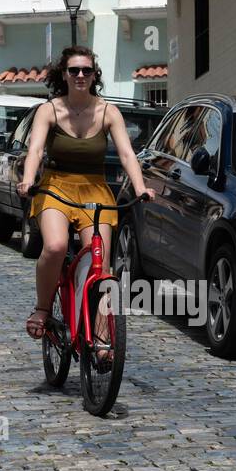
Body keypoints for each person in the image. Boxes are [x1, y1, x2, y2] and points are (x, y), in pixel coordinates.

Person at [16, 47, 152, 353]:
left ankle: (102, 338)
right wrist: (28, 178)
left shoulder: (108, 112)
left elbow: (127, 154)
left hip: (94, 190)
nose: (80, 76)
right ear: (64, 75)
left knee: (100, 263)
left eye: (86, 71)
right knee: (55, 246)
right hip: (56, 187)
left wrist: (141, 186)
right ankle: (43, 307)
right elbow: (36, 150)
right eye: (74, 70)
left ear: (94, 75)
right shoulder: (49, 110)